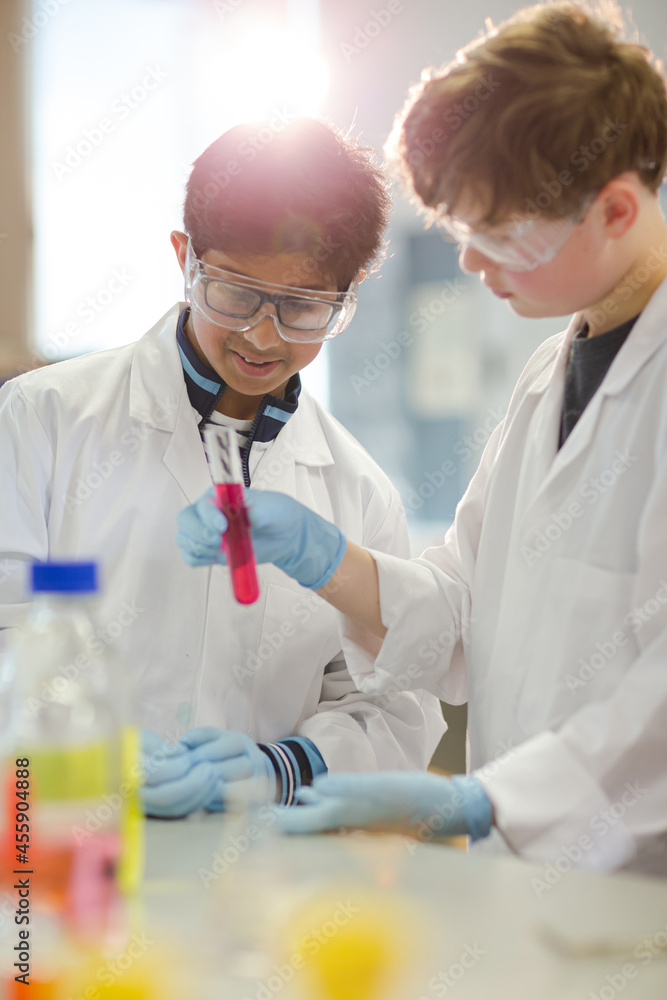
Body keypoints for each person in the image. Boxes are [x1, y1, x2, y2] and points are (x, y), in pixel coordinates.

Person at [177, 1, 667, 875]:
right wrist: (325, 558)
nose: (473, 265)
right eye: (460, 232)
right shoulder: (551, 372)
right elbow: (461, 615)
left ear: (618, 209)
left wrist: (482, 801)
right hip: (536, 889)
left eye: (501, 234)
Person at [0, 119, 445, 816]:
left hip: (258, 865)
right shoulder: (43, 420)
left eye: (301, 306)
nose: (261, 335)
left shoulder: (357, 490)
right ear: (184, 258)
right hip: (59, 837)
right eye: (235, 293)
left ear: (345, 294)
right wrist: (85, 743)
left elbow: (394, 709)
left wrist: (279, 770)